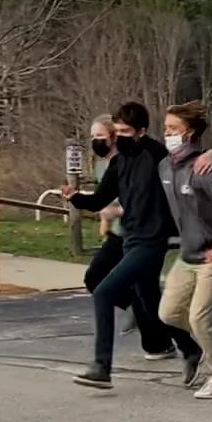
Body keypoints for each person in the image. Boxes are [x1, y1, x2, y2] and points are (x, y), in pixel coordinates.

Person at [66, 102, 201, 390]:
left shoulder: (157, 155)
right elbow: (100, 200)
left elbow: (190, 161)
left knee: (103, 292)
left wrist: (210, 155)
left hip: (151, 242)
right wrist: (75, 197)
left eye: (126, 131)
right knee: (151, 307)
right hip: (130, 240)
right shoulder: (119, 163)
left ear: (140, 131)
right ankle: (191, 349)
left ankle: (102, 366)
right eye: (117, 131)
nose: (120, 136)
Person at [156, 101, 212, 400]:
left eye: (173, 128)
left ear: (189, 132)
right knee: (168, 314)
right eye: (166, 127)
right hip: (187, 254)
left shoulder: (205, 169)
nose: (166, 132)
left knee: (197, 318)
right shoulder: (165, 166)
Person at [81, 115, 175, 362]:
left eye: (100, 136)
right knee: (95, 277)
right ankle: (140, 313)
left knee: (144, 292)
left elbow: (147, 198)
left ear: (115, 136)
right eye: (93, 137)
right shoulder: (104, 165)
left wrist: (120, 211)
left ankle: (161, 343)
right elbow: (104, 198)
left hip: (143, 235)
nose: (96, 141)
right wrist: (104, 219)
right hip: (119, 235)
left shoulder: (140, 158)